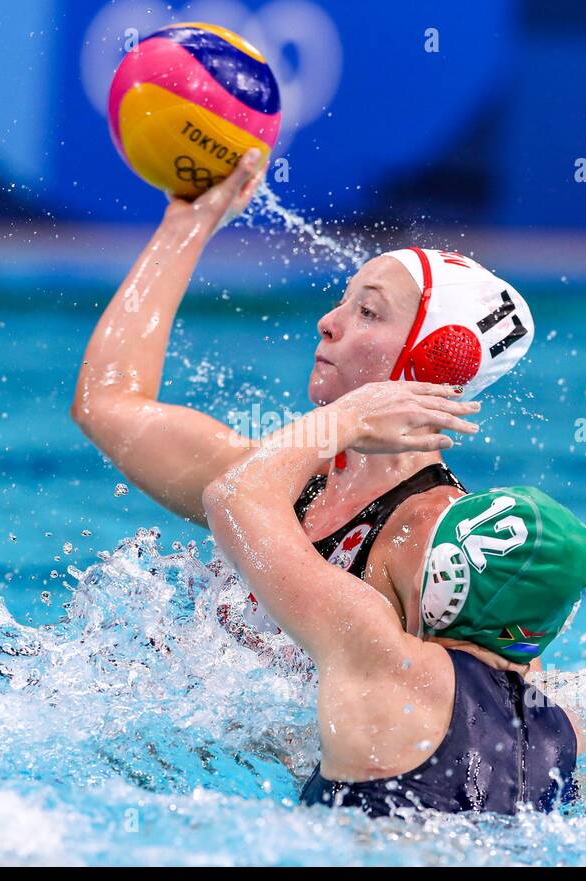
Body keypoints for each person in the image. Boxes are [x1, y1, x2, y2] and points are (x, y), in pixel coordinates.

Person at [71, 150, 535, 653]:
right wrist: (189, 222)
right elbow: (105, 401)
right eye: (343, 300)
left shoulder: (434, 541)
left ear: (433, 362)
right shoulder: (275, 480)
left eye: (369, 312)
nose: (328, 322)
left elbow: (490, 712)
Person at [202, 381, 586, 816]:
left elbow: (235, 496)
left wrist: (349, 417)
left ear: (444, 585)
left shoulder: (384, 657)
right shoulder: (566, 732)